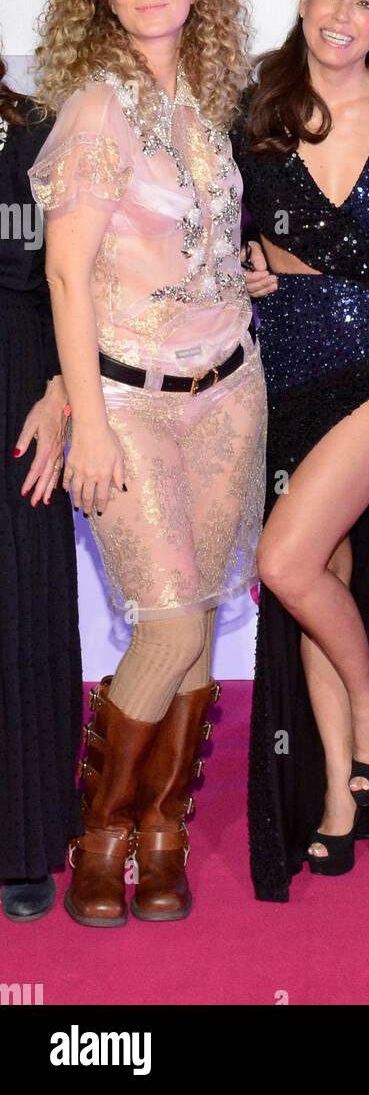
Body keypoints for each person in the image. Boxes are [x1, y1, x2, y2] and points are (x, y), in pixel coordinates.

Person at [29, 0, 266, 926]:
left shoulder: (205, 99)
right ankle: (101, 832)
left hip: (230, 392)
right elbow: (68, 278)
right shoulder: (96, 111)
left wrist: (237, 270)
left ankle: (162, 834)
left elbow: (195, 239)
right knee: (165, 623)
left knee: (201, 615)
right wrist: (82, 411)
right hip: (128, 402)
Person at [233, 0, 369, 899]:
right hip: (290, 371)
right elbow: (216, 235)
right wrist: (242, 266)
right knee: (322, 574)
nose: (341, 15)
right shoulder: (257, 111)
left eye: (365, 3)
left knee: (283, 559)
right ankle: (338, 802)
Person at [0, 55, 82, 922]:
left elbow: (82, 277)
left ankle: (21, 837)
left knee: (22, 608)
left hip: (20, 390)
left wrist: (65, 390)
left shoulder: (42, 131)